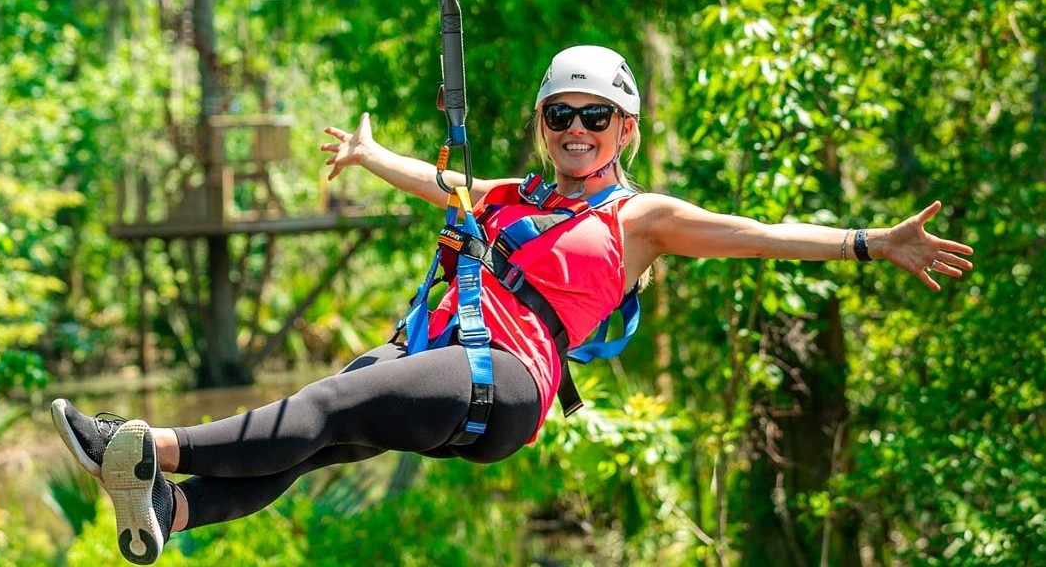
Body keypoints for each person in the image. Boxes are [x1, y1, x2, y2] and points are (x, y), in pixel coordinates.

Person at [51, 45, 974, 564]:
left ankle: (144, 446)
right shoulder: (511, 196)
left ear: (626, 131)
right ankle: (173, 513)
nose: (577, 131)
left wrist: (870, 243)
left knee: (328, 404)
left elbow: (760, 231)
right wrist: (373, 159)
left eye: (595, 118)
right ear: (543, 126)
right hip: (448, 359)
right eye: (561, 116)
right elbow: (440, 181)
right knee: (327, 429)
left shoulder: (638, 217)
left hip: (510, 376)